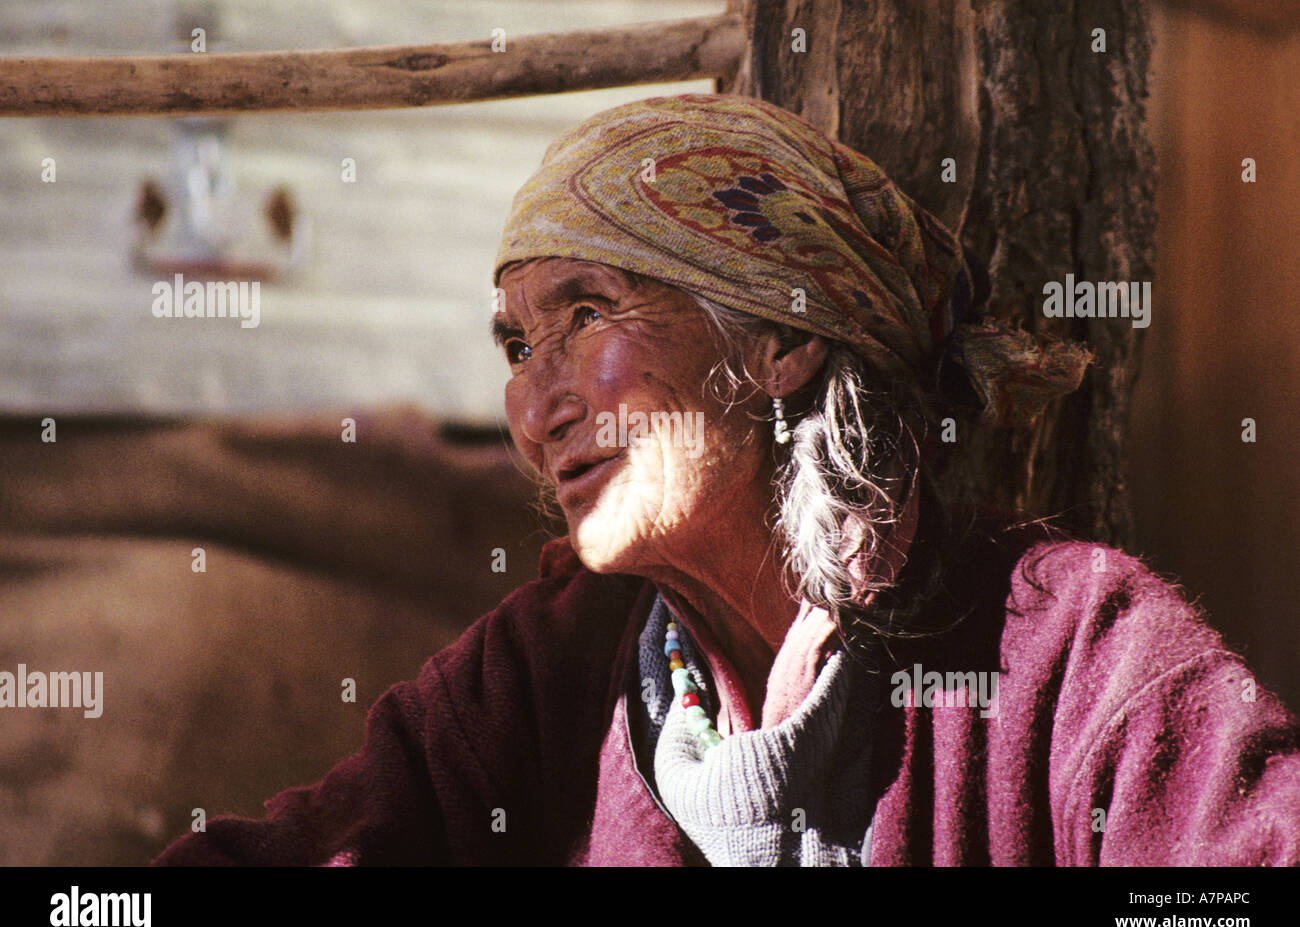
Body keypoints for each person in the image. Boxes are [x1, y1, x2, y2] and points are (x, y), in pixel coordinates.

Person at [155, 93, 1300, 866]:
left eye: (586, 313)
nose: (531, 402)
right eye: (515, 344)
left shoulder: (1068, 653)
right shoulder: (544, 676)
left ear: (781, 341)